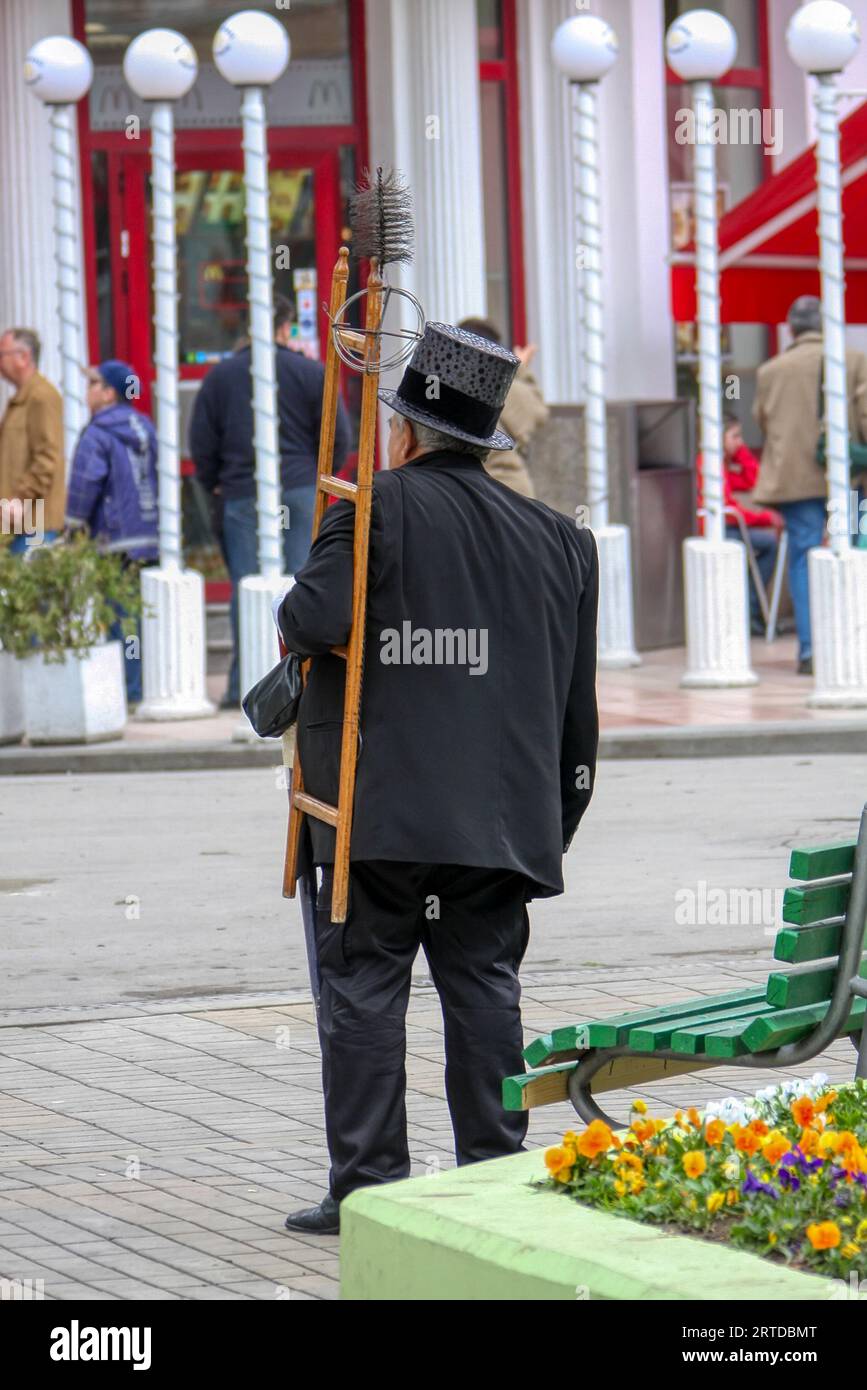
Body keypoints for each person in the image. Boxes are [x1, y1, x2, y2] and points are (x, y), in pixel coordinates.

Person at [276, 323, 599, 1235]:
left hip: (372, 816)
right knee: (484, 990)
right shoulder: (562, 542)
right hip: (499, 825)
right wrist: (552, 821)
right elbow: (579, 715)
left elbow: (311, 617)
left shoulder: (371, 508)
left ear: (408, 429)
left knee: (364, 995)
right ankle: (493, 1178)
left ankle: (371, 1191)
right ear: (486, 436)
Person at [190, 296, 351, 707]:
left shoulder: (220, 377)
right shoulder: (310, 372)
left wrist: (218, 485)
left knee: (247, 590)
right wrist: (317, 478)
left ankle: (247, 684)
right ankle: (306, 686)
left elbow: (202, 446)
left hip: (242, 495)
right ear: (285, 327)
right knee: (301, 589)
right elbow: (341, 435)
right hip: (299, 491)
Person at [752, 295, 867, 674]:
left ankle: (809, 649)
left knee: (803, 556)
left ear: (793, 329)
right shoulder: (852, 360)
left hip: (794, 479)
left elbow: (763, 420)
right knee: (848, 552)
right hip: (843, 475)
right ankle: (850, 639)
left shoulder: (771, 369)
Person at [65, 361, 159, 705]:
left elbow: (84, 483)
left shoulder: (98, 432)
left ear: (108, 393)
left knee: (118, 615)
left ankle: (127, 691)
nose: (87, 391)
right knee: (140, 615)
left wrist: (73, 524)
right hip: (148, 535)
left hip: (114, 537)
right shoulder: (145, 426)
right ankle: (141, 685)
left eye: (93, 384)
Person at [696, 411, 783, 635]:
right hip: (718, 528)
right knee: (768, 544)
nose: (740, 441)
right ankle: (750, 610)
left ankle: (749, 608)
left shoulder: (720, 463)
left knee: (766, 544)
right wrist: (766, 518)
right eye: (735, 436)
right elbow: (727, 510)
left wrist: (739, 452)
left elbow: (753, 479)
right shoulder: (709, 464)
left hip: (728, 525)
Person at [458, 317, 549, 498]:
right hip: (516, 492)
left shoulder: (453, 388)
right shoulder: (505, 387)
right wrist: (520, 369)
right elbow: (537, 410)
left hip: (479, 494)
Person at [0, 327, 64, 553]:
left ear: (23, 357)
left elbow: (47, 457)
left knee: (29, 585)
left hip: (36, 524)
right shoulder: (22, 399)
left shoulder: (41, 397)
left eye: (2, 354)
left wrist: (18, 498)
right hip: (19, 524)